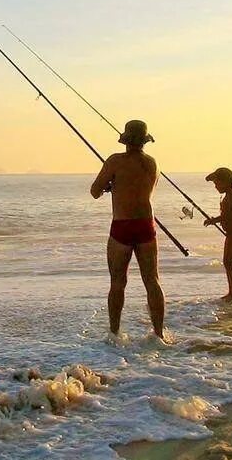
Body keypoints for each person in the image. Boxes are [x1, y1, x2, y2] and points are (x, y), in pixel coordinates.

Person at [90, 119, 165, 339]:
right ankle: (159, 333)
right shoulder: (153, 164)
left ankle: (114, 333)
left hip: (122, 225)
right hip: (146, 225)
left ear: (125, 139)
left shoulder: (114, 161)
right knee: (152, 280)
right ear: (145, 140)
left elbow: (95, 191)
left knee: (117, 282)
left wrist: (109, 187)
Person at [204, 167, 232, 301]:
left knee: (229, 263)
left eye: (217, 183)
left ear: (226, 182)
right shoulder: (228, 195)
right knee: (228, 263)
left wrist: (214, 220)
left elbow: (230, 215)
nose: (216, 186)